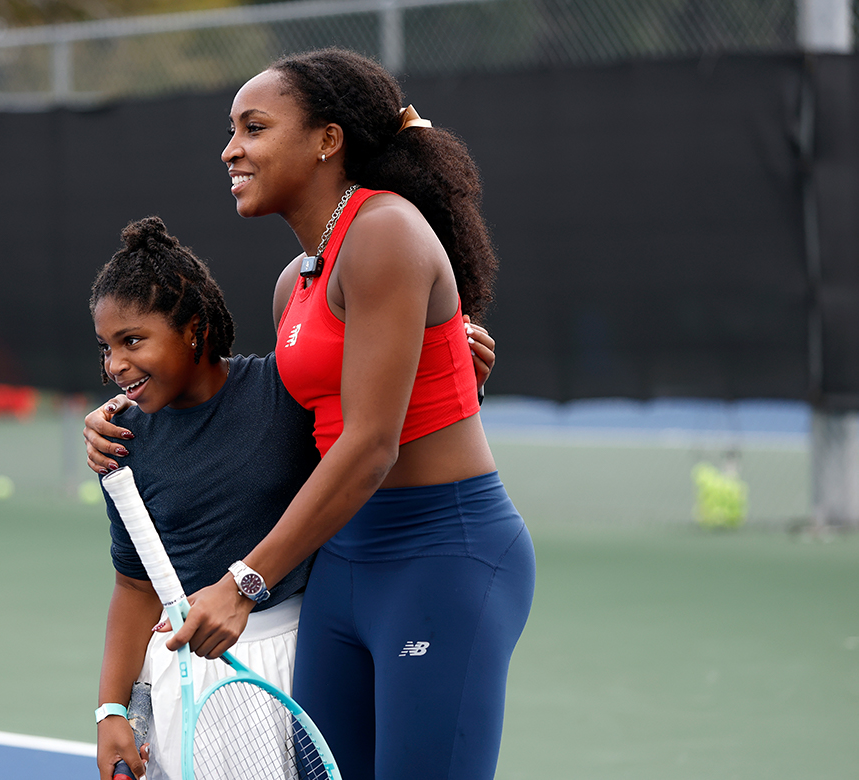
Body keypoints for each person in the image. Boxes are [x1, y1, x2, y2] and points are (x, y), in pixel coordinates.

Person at [93, 48, 535, 779]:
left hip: (439, 554)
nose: (230, 149)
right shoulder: (293, 284)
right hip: (344, 564)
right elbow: (287, 422)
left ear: (327, 139)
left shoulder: (385, 231)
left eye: (254, 127)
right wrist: (122, 418)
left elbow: (370, 446)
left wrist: (244, 582)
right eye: (231, 130)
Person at [90, 216, 321, 780]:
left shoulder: (282, 393)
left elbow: (369, 444)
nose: (115, 364)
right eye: (106, 347)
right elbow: (135, 585)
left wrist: (461, 369)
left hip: (304, 658)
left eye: (132, 340)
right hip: (190, 680)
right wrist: (111, 709)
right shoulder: (120, 441)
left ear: (194, 329)